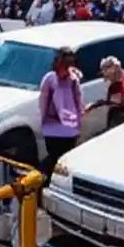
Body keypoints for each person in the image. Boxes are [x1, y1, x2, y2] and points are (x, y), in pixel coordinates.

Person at [39, 47, 84, 175]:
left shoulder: (73, 79)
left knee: (65, 159)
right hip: (53, 125)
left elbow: (78, 101)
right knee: (54, 157)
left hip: (70, 126)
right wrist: (43, 122)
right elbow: (43, 102)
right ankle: (41, 177)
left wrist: (79, 124)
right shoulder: (50, 79)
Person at [90, 55, 124, 129]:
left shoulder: (118, 86)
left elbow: (117, 103)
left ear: (115, 68)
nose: (104, 75)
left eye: (106, 71)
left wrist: (102, 103)